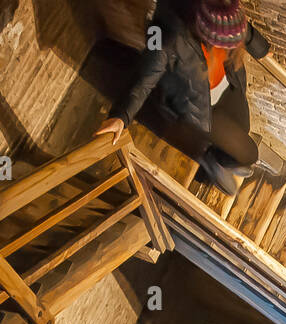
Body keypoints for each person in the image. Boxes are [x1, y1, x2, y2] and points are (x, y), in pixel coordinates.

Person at [95, 0, 269, 196]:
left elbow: (235, 23)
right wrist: (121, 116)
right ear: (204, 30)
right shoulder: (164, 33)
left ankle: (219, 157)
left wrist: (260, 46)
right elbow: (146, 75)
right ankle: (206, 157)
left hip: (228, 83)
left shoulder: (218, 10)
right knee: (249, 153)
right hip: (200, 105)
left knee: (243, 129)